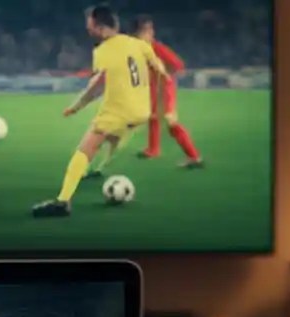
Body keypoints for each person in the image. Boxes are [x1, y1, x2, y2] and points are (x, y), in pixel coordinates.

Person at [31, 5, 169, 218]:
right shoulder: (139, 44)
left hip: (118, 111)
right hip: (141, 111)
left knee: (84, 149)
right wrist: (159, 103)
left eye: (91, 26)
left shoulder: (103, 51)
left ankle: (63, 201)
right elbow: (160, 70)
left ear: (101, 27)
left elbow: (97, 86)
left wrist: (77, 106)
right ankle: (99, 167)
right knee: (113, 137)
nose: (88, 30)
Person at [134, 15, 203, 167]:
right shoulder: (140, 50)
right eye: (146, 30)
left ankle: (194, 157)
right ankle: (153, 150)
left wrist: (165, 75)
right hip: (153, 91)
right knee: (153, 118)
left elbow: (178, 65)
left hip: (164, 92)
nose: (150, 33)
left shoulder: (157, 48)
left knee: (171, 123)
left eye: (150, 30)